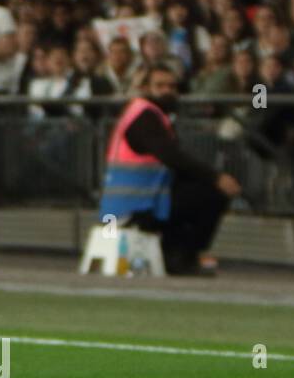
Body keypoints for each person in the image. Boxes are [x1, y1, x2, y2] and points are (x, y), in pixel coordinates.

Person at [98, 65, 242, 275]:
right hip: (135, 207)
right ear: (146, 88)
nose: (168, 90)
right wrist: (216, 177)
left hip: (136, 202)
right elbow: (171, 156)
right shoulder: (144, 116)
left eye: (172, 86)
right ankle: (180, 256)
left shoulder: (145, 113)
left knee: (194, 192)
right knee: (213, 194)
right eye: (160, 85)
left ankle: (174, 253)